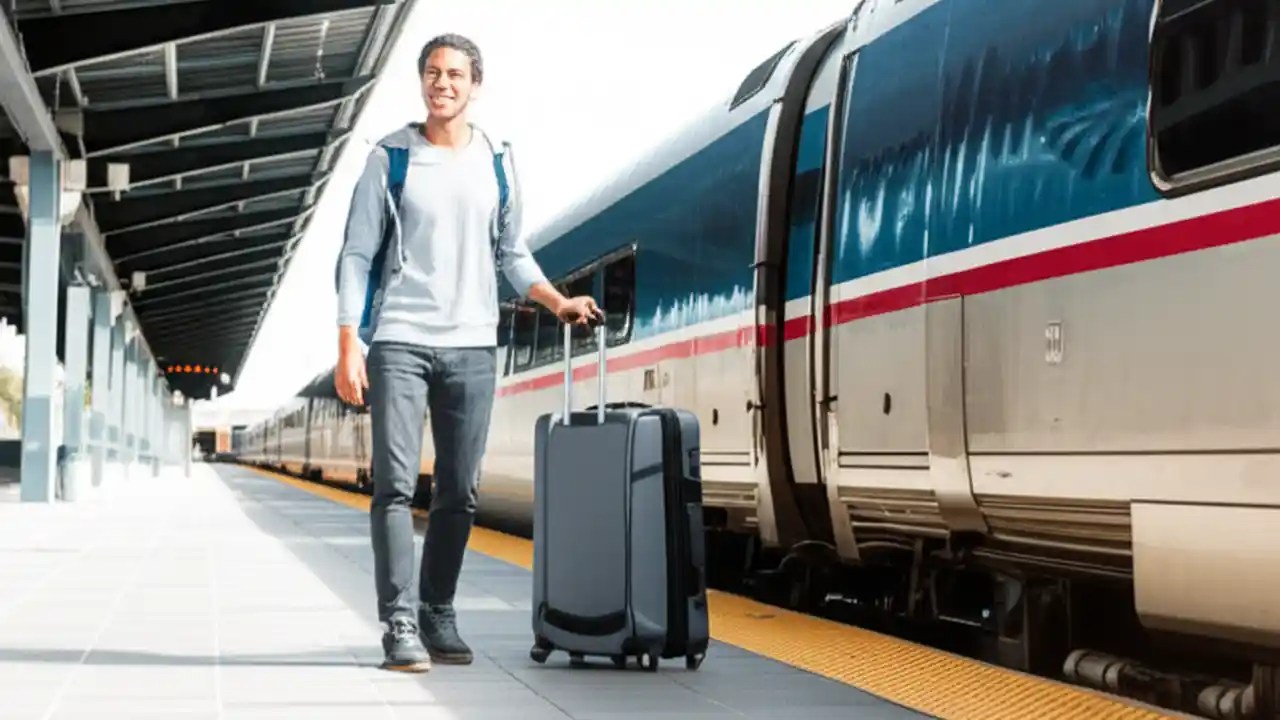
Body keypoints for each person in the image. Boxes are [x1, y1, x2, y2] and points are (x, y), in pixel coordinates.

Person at [334, 33, 601, 673]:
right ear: (421, 81)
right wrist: (348, 340)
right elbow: (356, 253)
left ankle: (437, 610)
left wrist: (556, 301)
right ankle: (399, 622)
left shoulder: (497, 162)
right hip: (400, 338)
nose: (442, 83)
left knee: (459, 490)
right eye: (432, 72)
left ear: (475, 84)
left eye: (455, 74)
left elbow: (512, 252)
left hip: (473, 345)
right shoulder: (390, 158)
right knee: (395, 486)